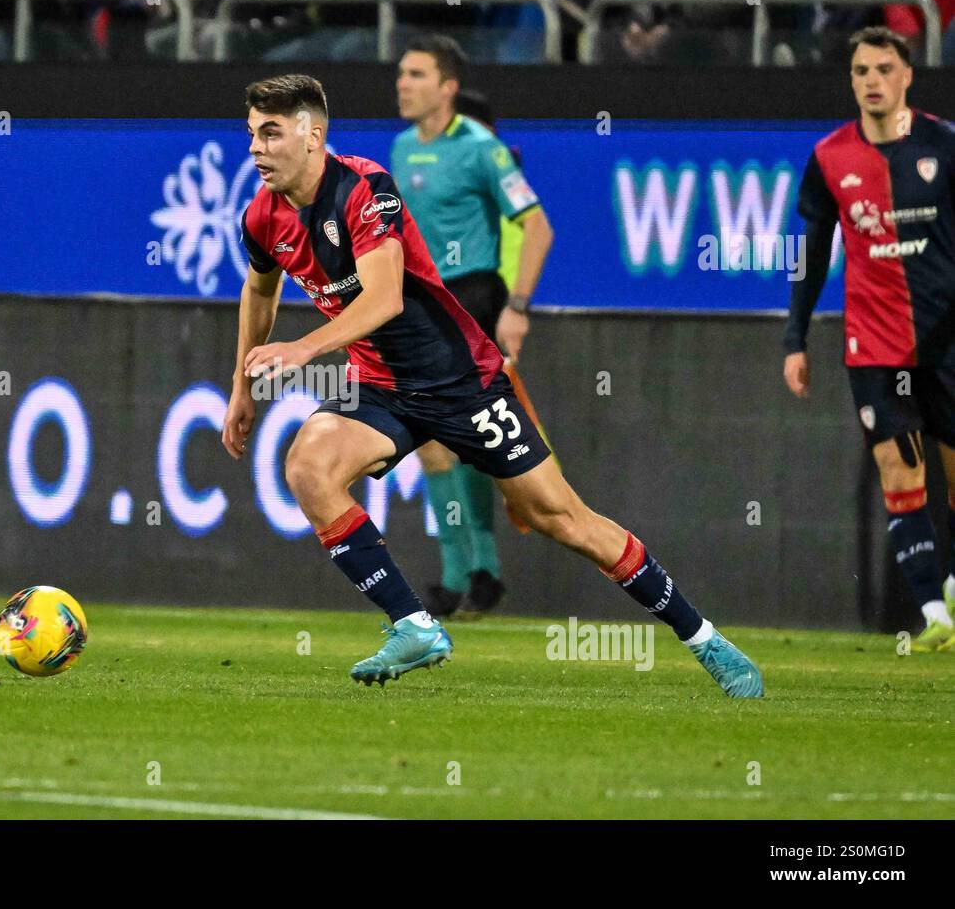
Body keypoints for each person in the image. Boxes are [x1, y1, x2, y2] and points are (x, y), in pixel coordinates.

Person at [225, 73, 763, 696]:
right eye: (251, 134)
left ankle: (703, 638)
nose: (257, 149)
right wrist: (242, 386)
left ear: (313, 135)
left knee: (562, 517)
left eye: (270, 133)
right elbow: (259, 291)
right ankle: (414, 623)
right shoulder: (262, 216)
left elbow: (385, 300)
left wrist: (303, 348)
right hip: (377, 385)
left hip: (461, 381)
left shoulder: (366, 188)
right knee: (308, 465)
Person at [785, 26, 955, 653]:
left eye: (884, 68)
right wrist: (794, 336)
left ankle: (953, 587)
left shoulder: (945, 145)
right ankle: (935, 613)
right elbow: (810, 253)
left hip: (946, 341)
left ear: (908, 75)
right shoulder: (831, 156)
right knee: (898, 469)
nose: (872, 81)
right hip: (874, 345)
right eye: (860, 71)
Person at [390, 36, 555, 619]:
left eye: (415, 73)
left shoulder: (483, 149)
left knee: (463, 438)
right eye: (402, 73)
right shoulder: (403, 149)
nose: (402, 83)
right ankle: (471, 576)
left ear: (448, 87)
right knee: (435, 442)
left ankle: (468, 574)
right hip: (418, 303)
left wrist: (519, 307)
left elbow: (537, 229)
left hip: (472, 297)